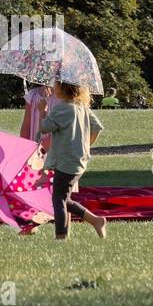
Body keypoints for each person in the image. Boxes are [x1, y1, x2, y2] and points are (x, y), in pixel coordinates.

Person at [38, 81, 108, 240]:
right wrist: (85, 146)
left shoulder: (62, 109)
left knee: (58, 200)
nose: (53, 87)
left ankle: (61, 236)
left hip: (65, 162)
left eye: (55, 85)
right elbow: (96, 128)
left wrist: (43, 111)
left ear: (62, 88)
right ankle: (96, 220)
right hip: (78, 160)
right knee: (63, 198)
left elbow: (44, 128)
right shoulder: (81, 106)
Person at [20, 83, 56, 148]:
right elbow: (26, 126)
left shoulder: (63, 99)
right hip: (34, 147)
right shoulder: (33, 95)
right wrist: (23, 146)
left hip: (53, 149)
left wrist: (44, 145)